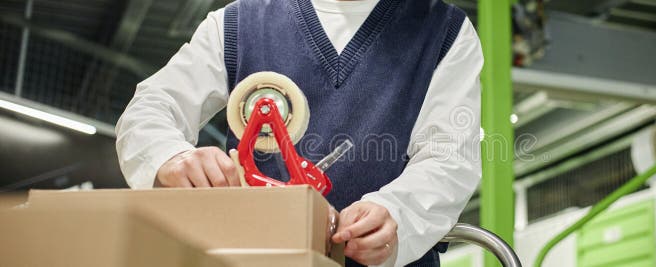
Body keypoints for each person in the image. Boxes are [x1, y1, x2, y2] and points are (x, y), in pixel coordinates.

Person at [115, 0, 482, 266]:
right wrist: (169, 156)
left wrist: (397, 215)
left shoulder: (445, 30)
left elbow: (448, 156)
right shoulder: (236, 23)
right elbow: (151, 108)